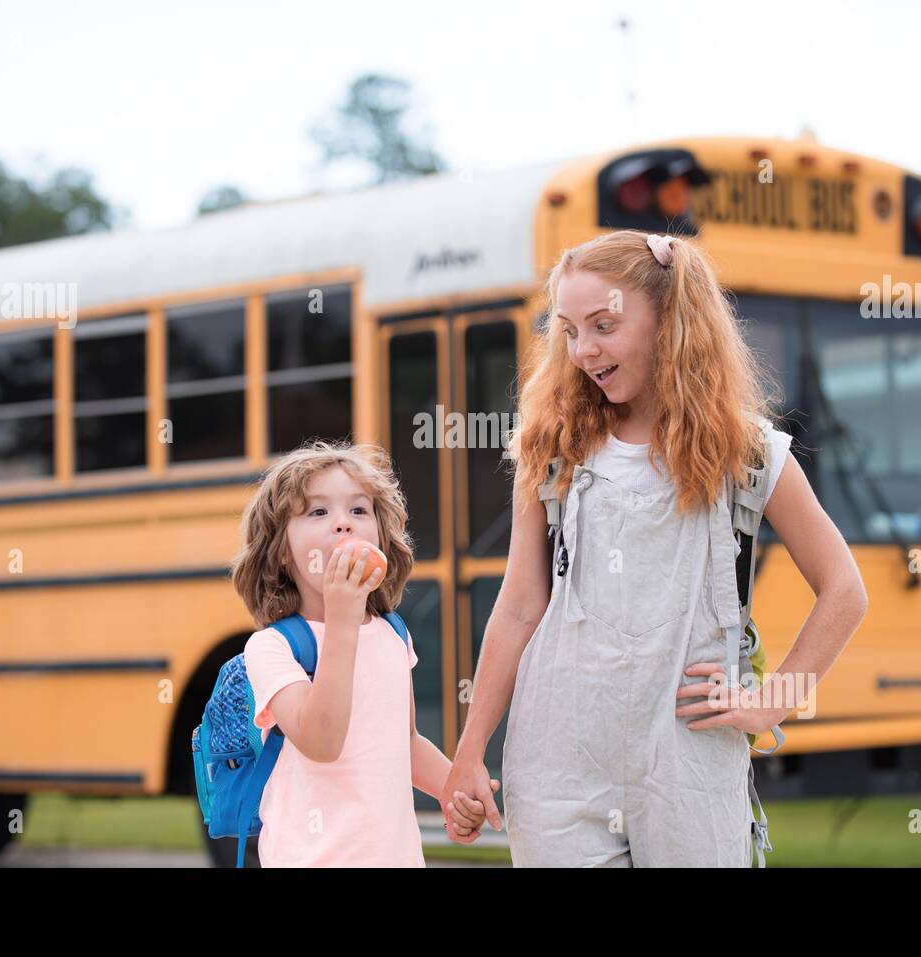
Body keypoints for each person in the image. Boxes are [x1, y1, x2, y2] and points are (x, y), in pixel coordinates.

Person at [439, 229, 869, 865]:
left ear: (669, 321)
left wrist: (769, 705)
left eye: (604, 326)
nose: (584, 349)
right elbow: (520, 605)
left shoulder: (748, 455)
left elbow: (844, 591)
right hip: (558, 762)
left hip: (690, 763)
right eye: (568, 330)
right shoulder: (550, 447)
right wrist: (469, 750)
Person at [230, 441, 488, 866]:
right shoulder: (273, 648)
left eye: (358, 510)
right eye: (318, 512)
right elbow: (322, 741)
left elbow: (405, 741)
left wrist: (454, 791)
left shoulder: (391, 633)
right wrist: (342, 621)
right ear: (280, 552)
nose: (342, 525)